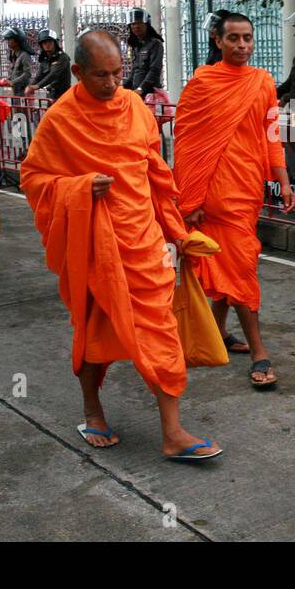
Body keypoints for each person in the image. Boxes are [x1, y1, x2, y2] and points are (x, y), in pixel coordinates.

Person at [20, 30, 221, 461]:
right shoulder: (60, 119)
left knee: (160, 332)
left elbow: (156, 179)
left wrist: (177, 233)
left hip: (143, 242)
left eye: (118, 74)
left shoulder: (135, 107)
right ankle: (93, 411)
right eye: (101, 76)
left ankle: (173, 432)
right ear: (77, 72)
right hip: (95, 245)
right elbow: (33, 179)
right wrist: (78, 188)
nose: (113, 84)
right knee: (95, 334)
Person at [172, 12, 295, 388]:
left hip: (244, 191)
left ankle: (220, 333)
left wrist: (284, 181)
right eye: (234, 39)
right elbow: (187, 142)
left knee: (233, 264)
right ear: (218, 41)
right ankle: (260, 352)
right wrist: (190, 197)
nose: (242, 45)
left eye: (247, 38)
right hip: (209, 196)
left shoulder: (262, 83)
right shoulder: (202, 83)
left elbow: (271, 134)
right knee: (236, 270)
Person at [123, 8, 164, 96]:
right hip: (136, 94)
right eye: (133, 24)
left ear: (146, 25)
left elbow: (155, 70)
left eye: (139, 23)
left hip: (150, 94)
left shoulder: (155, 43)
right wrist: (122, 88)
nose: (136, 26)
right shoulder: (136, 46)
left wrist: (141, 89)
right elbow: (134, 71)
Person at [28, 29, 71, 102]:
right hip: (51, 95)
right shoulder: (44, 60)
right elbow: (38, 77)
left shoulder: (63, 57)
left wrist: (38, 86)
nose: (47, 45)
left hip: (63, 95)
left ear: (55, 43)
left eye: (50, 42)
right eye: (44, 43)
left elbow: (54, 74)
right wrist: (29, 87)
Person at [1, 29, 37, 96]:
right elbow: (15, 71)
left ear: (17, 41)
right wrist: (7, 80)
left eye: (9, 40)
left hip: (23, 91)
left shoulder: (24, 55)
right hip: (16, 90)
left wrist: (12, 82)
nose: (8, 42)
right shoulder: (13, 53)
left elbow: (28, 74)